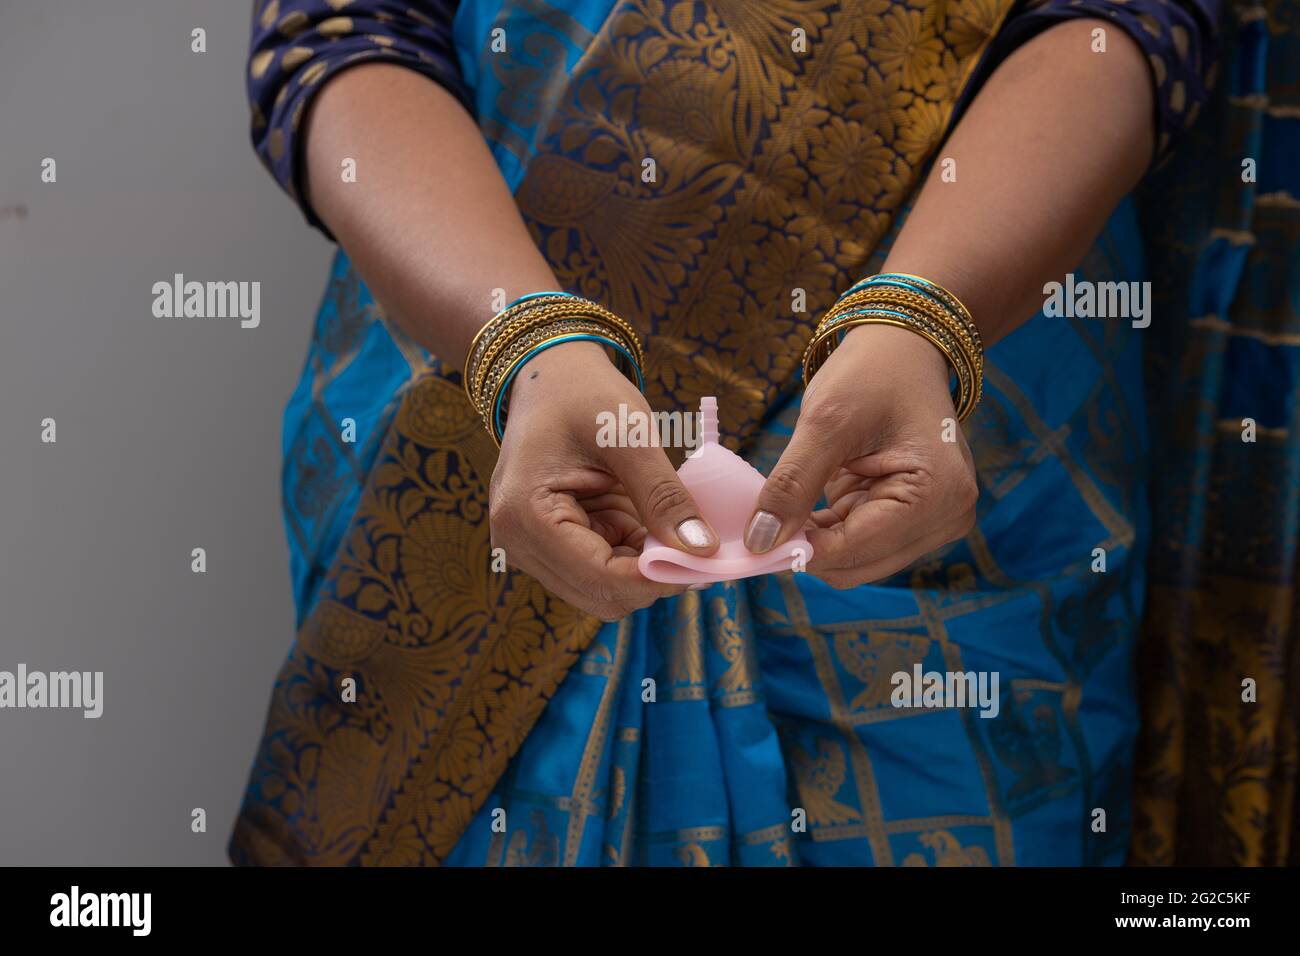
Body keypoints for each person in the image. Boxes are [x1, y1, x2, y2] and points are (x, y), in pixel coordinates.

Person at [230, 0, 1220, 866]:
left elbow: (1129, 20)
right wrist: (521, 342)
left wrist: (925, 317)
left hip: (955, 445)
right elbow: (338, 30)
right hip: (487, 390)